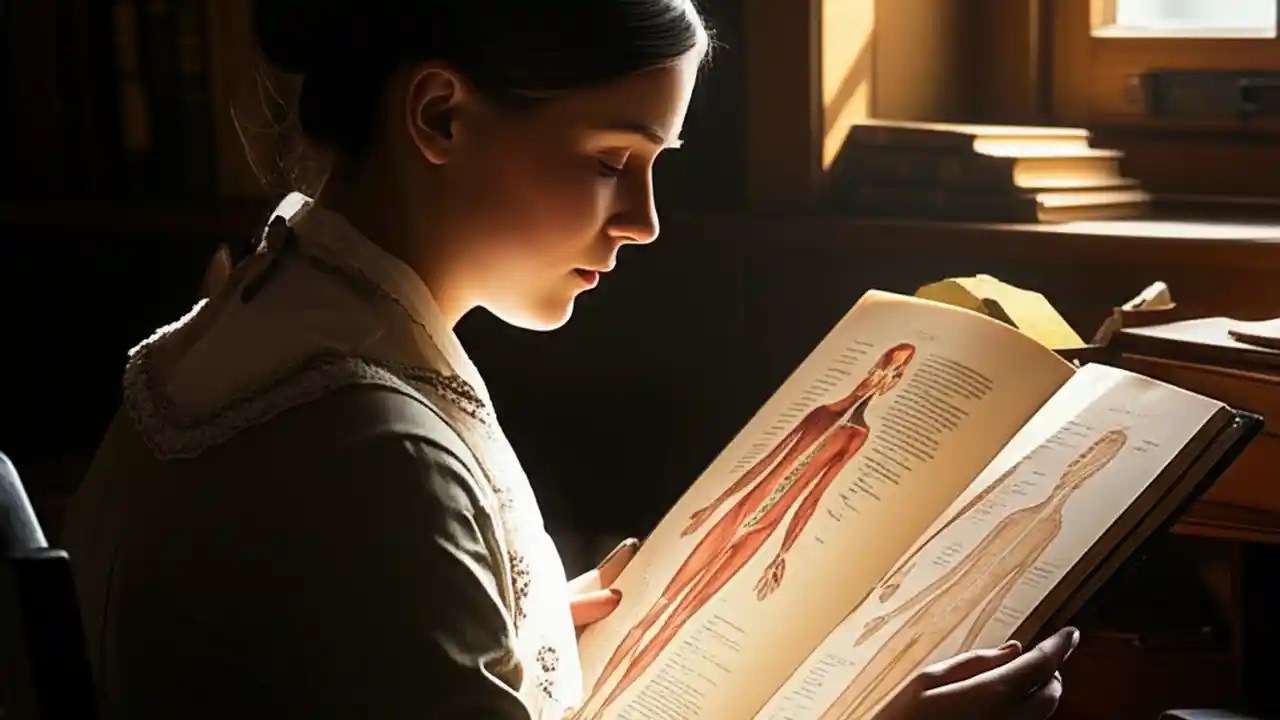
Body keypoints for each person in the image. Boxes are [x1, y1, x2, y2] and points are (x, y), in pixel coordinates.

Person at [60, 2, 1079, 718]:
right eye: (610, 162)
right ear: (438, 116)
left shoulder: (245, 321)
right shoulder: (369, 450)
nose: (641, 223)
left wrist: (524, 625)